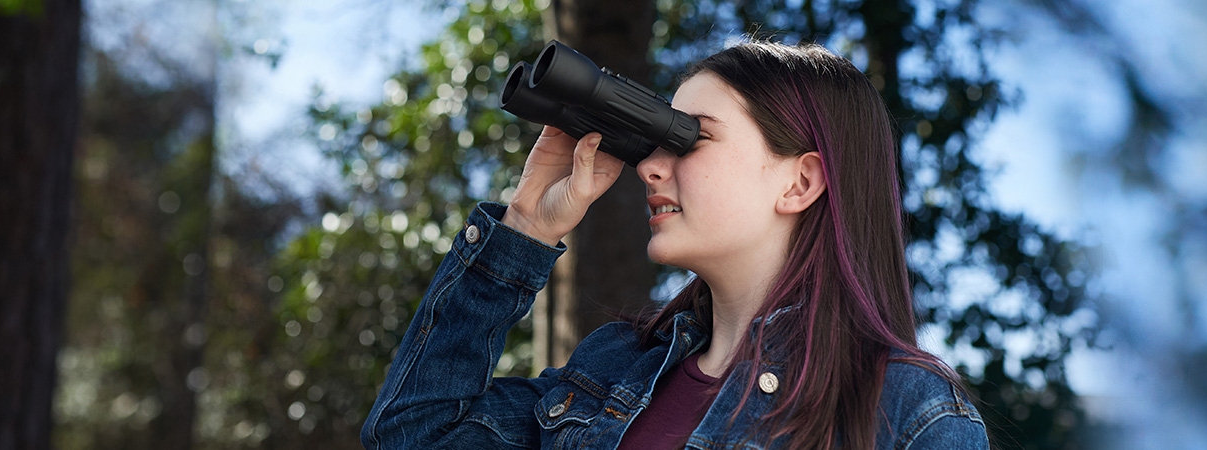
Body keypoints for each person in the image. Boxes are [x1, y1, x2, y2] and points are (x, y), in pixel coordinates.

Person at [362, 40, 990, 450]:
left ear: (800, 181)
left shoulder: (910, 414)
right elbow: (411, 434)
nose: (650, 168)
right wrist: (525, 229)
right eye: (656, 141)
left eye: (691, 140)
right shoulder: (611, 368)